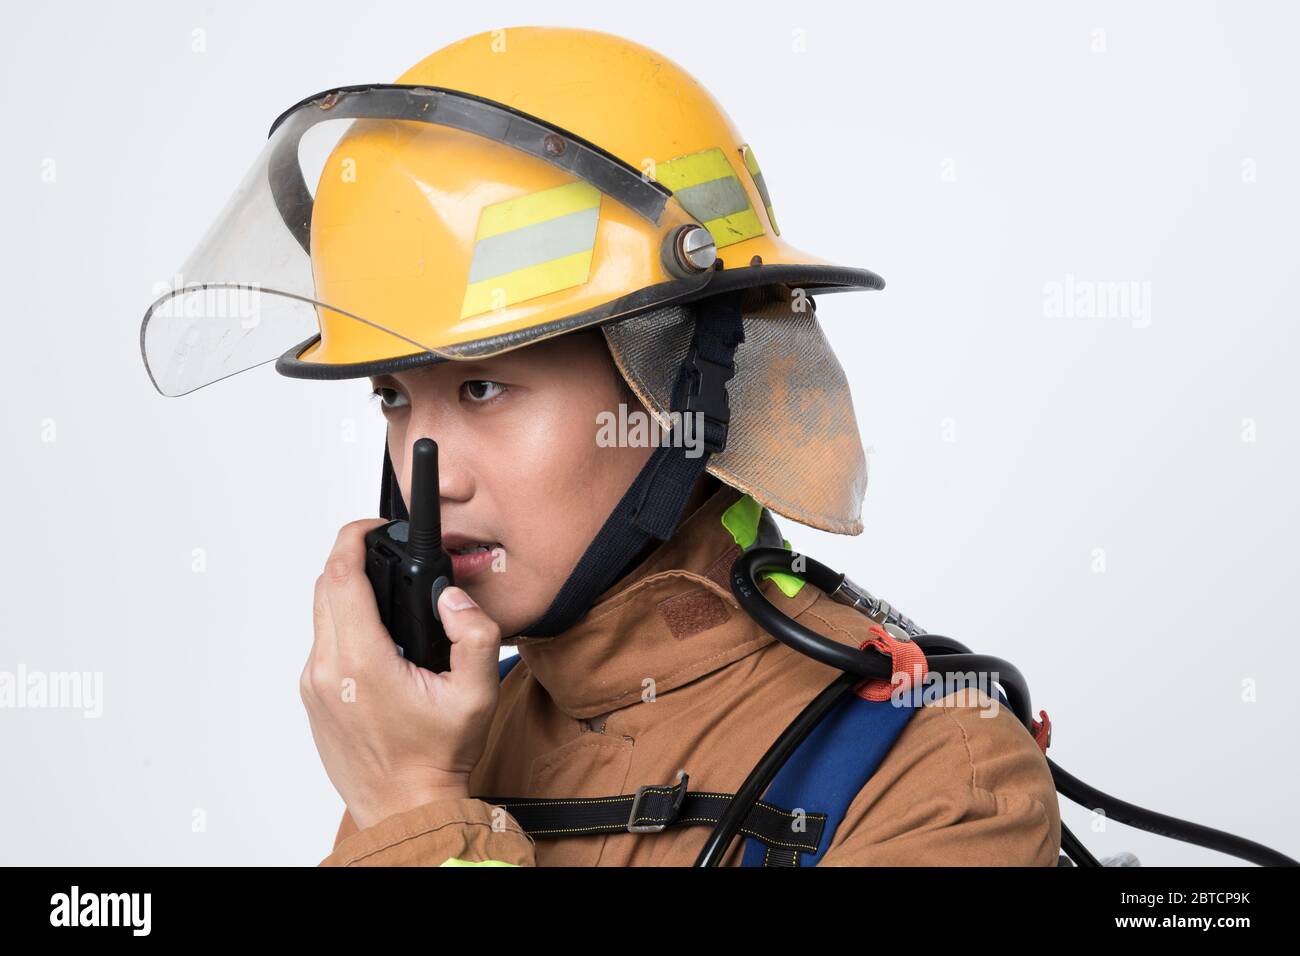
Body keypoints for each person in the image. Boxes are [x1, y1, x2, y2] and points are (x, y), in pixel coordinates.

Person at [141, 26, 1061, 866]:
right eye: (393, 398)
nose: (432, 472)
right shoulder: (443, 733)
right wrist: (409, 796)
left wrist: (415, 812)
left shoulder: (943, 777)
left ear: (677, 390)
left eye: (482, 387)